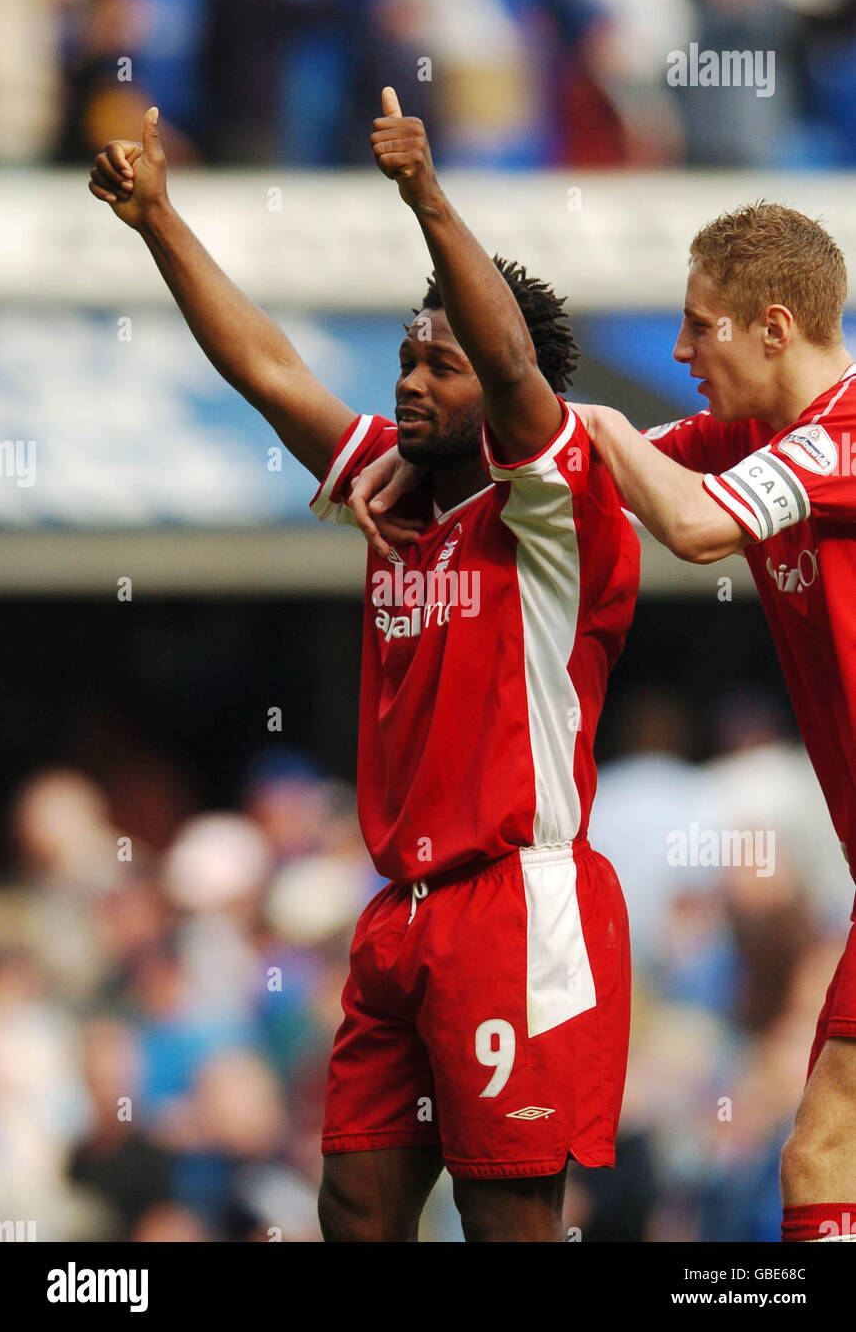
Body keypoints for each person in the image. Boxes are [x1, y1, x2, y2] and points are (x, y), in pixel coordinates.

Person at [87, 92, 639, 1242]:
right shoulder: (394, 487)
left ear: (498, 380)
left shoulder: (551, 505)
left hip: (511, 907)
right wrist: (157, 222)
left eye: (440, 364)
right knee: (352, 1204)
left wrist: (424, 194)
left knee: (508, 1221)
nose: (410, 381)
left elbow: (514, 368)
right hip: (401, 913)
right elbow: (272, 372)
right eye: (403, 358)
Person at [352, 200, 856, 1244]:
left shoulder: (844, 434)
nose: (677, 352)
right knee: (828, 1148)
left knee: (822, 1148)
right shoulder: (750, 435)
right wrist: (443, 463)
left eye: (697, 326)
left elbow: (691, 522)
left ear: (772, 326)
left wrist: (610, 427)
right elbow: (567, 465)